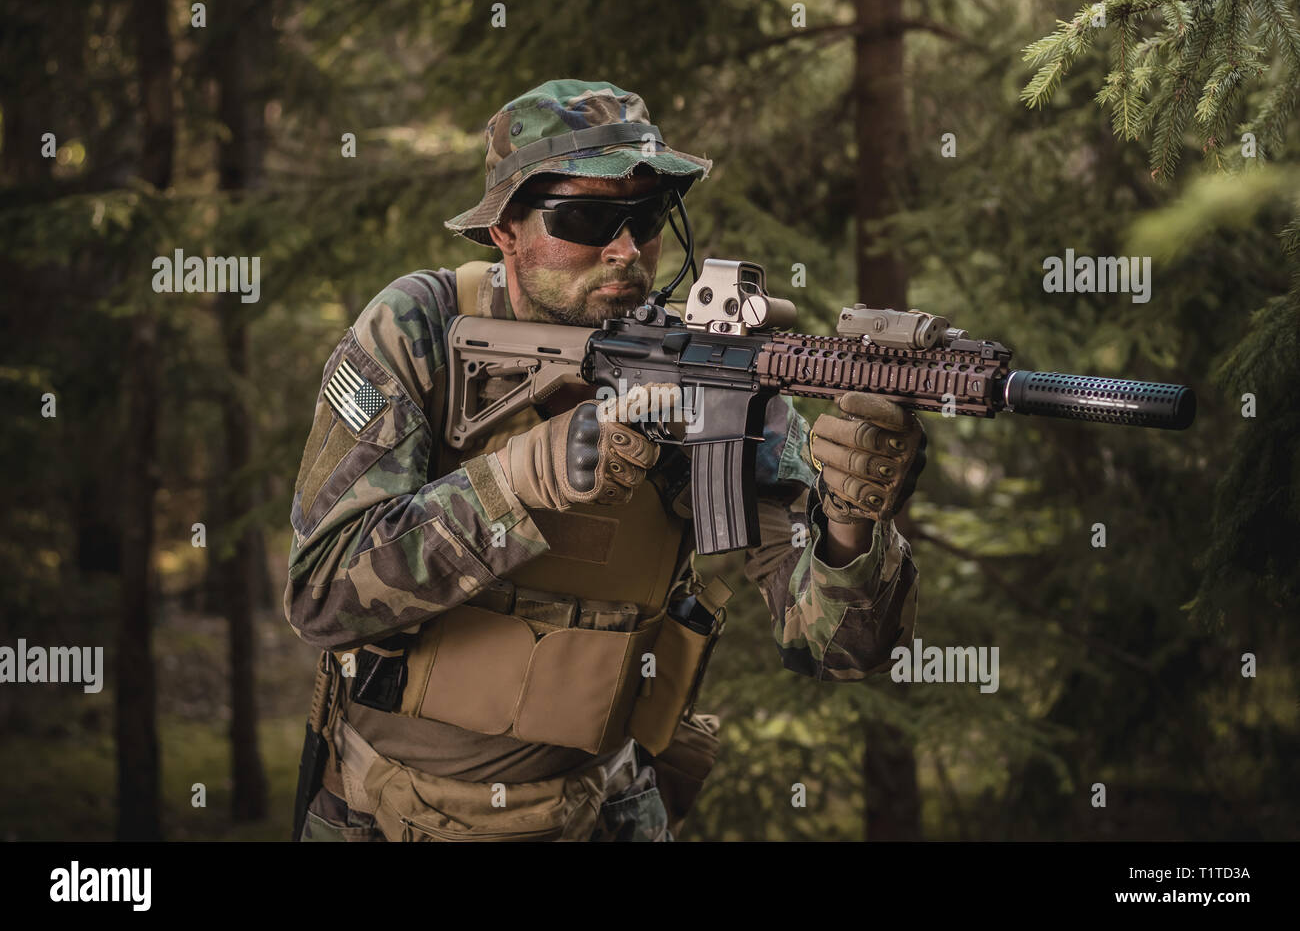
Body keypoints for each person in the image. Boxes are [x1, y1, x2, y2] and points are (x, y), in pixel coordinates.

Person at [285, 79, 926, 842]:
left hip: (604, 814)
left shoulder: (708, 371)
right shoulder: (420, 328)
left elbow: (842, 649)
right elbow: (322, 595)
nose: (624, 250)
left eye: (647, 218)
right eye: (586, 218)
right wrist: (520, 481)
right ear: (507, 231)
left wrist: (852, 524)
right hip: (391, 815)